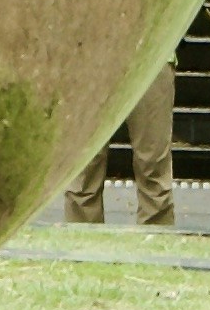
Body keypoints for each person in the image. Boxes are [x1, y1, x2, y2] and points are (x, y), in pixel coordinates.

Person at [65, 65, 177, 228]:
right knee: (83, 170)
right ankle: (80, 246)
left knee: (154, 168)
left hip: (153, 57)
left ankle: (156, 243)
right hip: (91, 57)